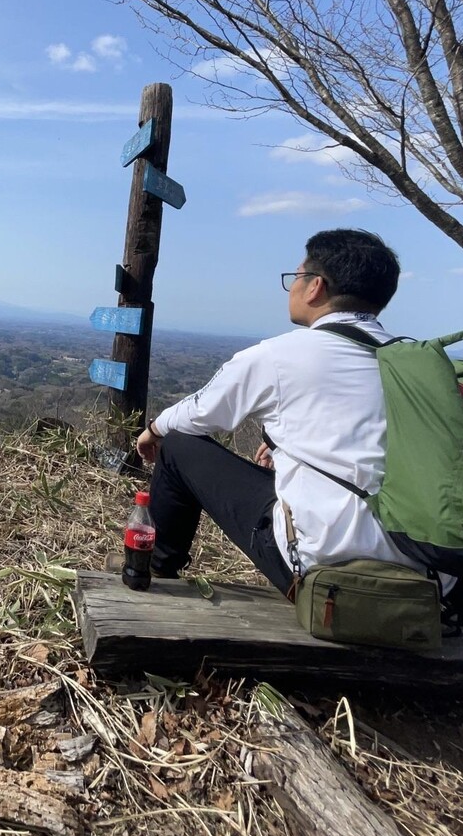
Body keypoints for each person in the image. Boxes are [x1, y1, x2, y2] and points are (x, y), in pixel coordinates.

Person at [133, 228, 420, 595]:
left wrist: (154, 429)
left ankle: (155, 567)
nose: (294, 288)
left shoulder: (281, 355)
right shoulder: (417, 363)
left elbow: (200, 412)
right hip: (432, 571)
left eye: (296, 278)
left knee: (178, 445)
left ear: (316, 286)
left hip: (325, 570)